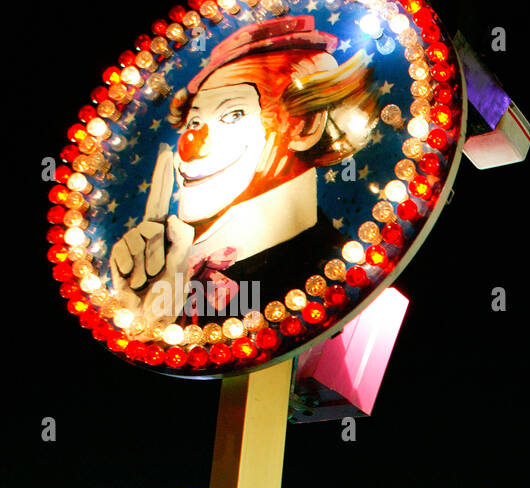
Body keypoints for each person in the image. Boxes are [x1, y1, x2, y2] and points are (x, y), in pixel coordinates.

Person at [110, 15, 378, 325]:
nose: (191, 144)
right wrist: (149, 318)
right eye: (194, 122)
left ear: (304, 126)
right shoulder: (179, 277)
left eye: (232, 114)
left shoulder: (335, 266)